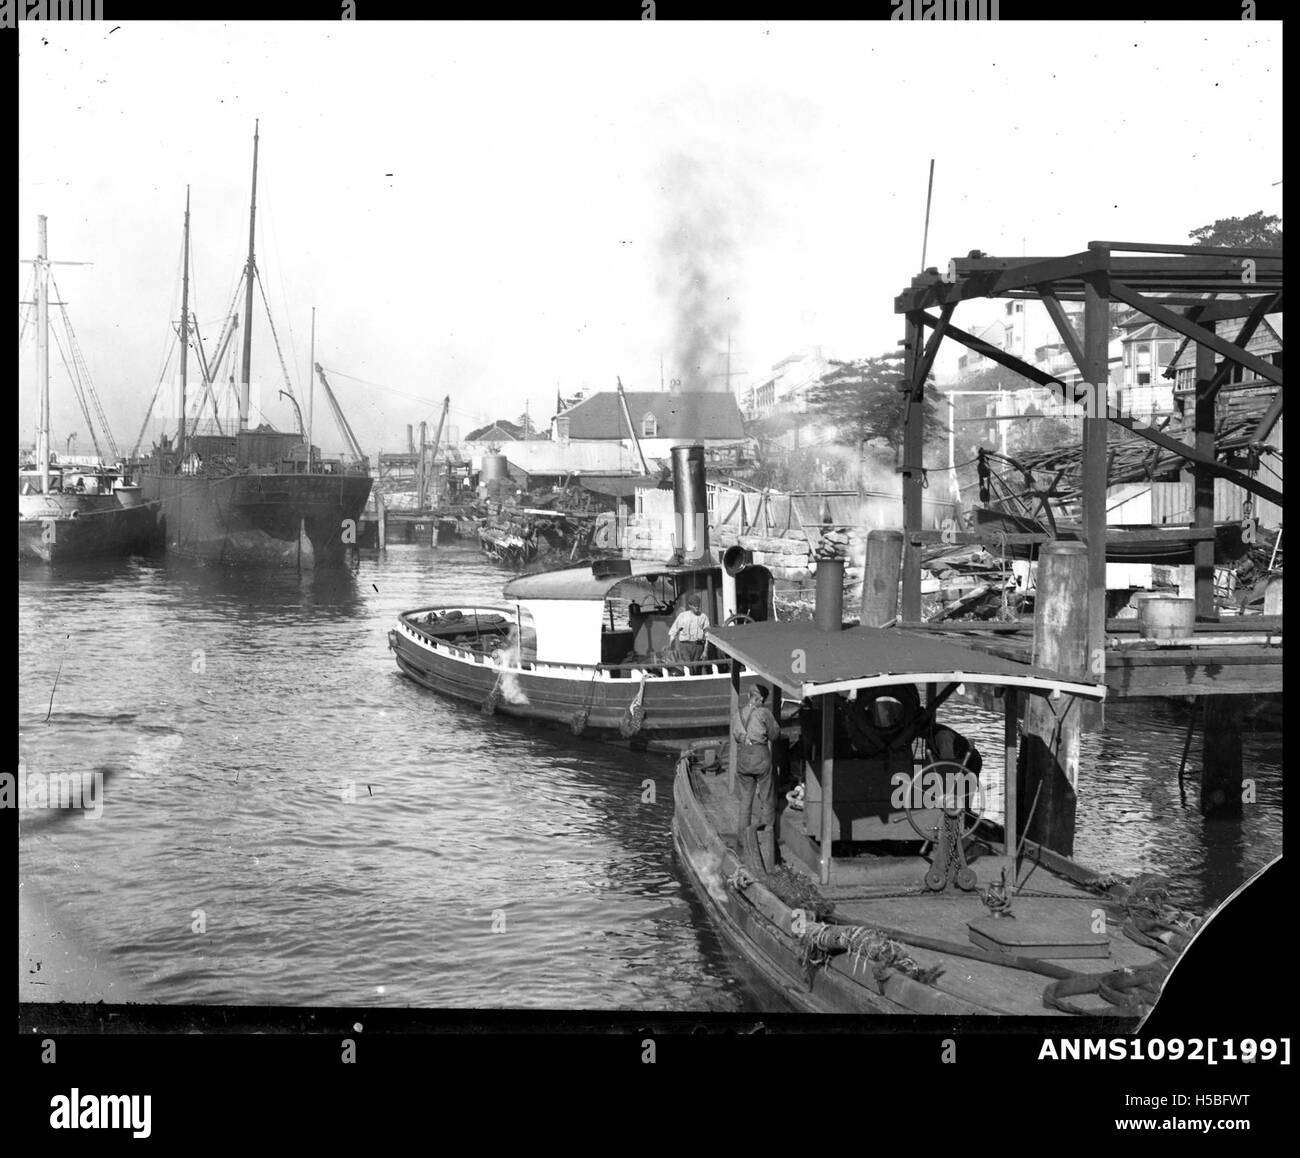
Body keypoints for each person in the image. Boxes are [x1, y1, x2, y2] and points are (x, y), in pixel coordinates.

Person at [732, 685, 781, 872]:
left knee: (745, 800)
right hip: (760, 757)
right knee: (767, 797)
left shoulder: (738, 714)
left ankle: (742, 841)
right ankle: (765, 841)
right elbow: (775, 734)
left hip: (744, 758)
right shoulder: (764, 713)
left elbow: (737, 737)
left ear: (749, 696)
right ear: (762, 699)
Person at [667, 593, 709, 663]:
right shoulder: (682, 616)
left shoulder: (703, 617)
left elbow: (708, 636)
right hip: (685, 646)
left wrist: (705, 651)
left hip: (698, 646)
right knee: (687, 667)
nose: (697, 607)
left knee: (696, 668)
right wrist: (670, 647)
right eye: (695, 606)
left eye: (698, 606)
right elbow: (673, 633)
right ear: (690, 605)